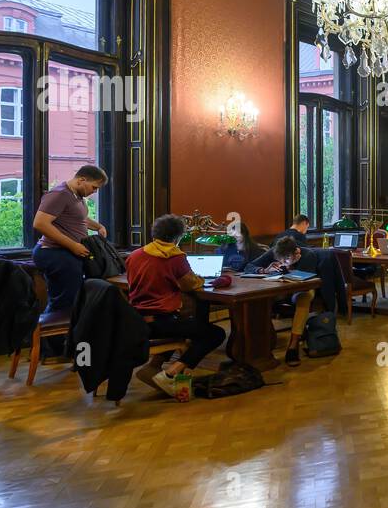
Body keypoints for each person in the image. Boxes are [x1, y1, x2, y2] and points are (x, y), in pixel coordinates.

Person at [127, 214, 227, 397]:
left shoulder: (135, 255)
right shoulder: (174, 257)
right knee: (215, 333)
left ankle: (153, 367)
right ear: (177, 237)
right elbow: (190, 284)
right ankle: (171, 373)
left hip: (136, 320)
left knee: (185, 324)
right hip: (161, 322)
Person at [246, 237, 341, 366]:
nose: (282, 262)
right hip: (278, 289)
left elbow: (304, 281)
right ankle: (261, 343)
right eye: (280, 259)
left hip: (302, 290)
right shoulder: (276, 252)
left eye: (286, 259)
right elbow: (249, 266)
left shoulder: (308, 255)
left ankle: (293, 344)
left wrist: (288, 268)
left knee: (304, 298)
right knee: (258, 300)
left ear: (296, 252)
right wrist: (264, 270)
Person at [31, 165, 108, 313]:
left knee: (73, 300)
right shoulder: (60, 194)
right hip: (55, 253)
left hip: (67, 253)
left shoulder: (76, 196)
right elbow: (40, 223)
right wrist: (73, 245)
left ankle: (68, 335)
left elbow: (78, 218)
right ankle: (57, 336)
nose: (95, 191)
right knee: (64, 303)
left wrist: (98, 226)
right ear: (81, 180)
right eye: (94, 187)